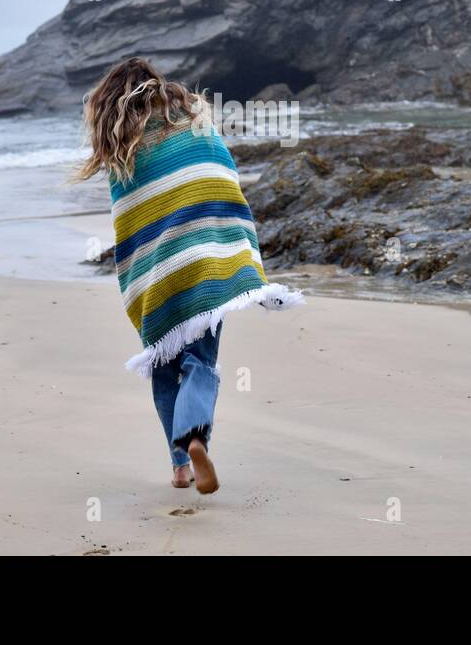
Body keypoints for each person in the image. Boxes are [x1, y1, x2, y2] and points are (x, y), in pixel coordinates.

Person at [73, 58, 302, 494]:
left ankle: (179, 467)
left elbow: (131, 218)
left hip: (158, 270)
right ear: (158, 86)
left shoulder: (122, 147)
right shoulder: (193, 121)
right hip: (205, 261)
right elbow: (220, 180)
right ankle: (195, 438)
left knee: (163, 362)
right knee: (200, 361)